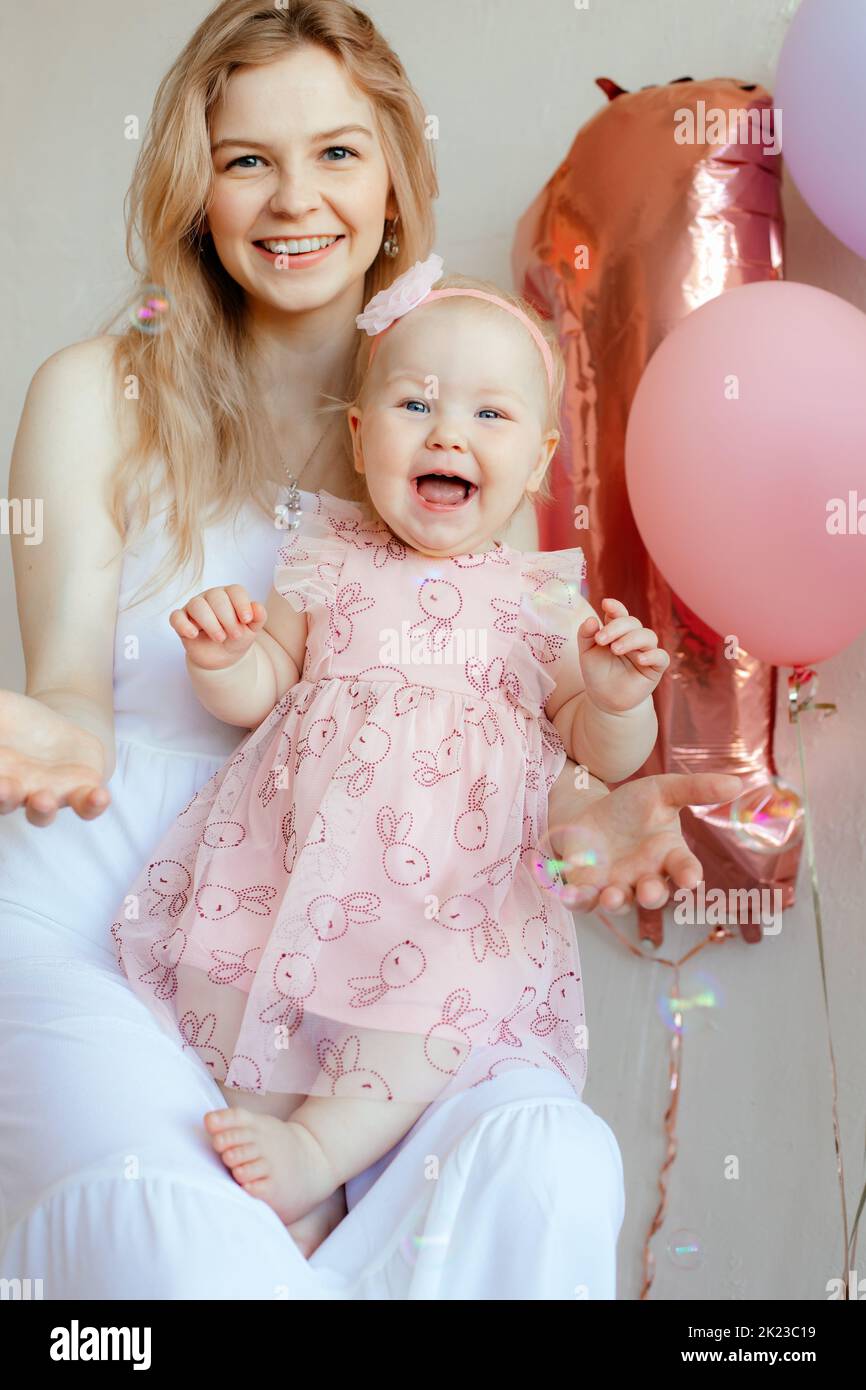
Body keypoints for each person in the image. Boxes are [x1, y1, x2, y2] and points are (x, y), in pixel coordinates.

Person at [0, 0, 741, 1298]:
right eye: (247, 158)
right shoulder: (93, 393)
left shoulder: (468, 388)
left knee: (550, 1165)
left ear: (395, 168)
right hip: (128, 909)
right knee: (197, 1253)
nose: (296, 198)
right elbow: (73, 693)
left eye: (337, 151)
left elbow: (515, 711)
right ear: (193, 181)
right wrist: (49, 728)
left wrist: (598, 805)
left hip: (399, 925)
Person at [110, 254, 675, 1249]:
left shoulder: (540, 597)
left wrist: (620, 696)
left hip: (452, 897)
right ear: (363, 437)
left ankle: (322, 1154)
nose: (447, 430)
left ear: (539, 461)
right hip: (295, 875)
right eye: (415, 403)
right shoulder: (323, 557)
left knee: (431, 1017)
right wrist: (226, 655)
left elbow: (599, 746)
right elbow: (262, 693)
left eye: (489, 416)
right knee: (239, 1003)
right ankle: (289, 1196)